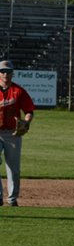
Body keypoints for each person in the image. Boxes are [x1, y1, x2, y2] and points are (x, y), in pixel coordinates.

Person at [0, 60, 35, 207]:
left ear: (12, 73)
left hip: (13, 134)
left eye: (8, 72)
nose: (5, 74)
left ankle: (12, 199)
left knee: (13, 167)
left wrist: (26, 122)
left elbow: (29, 111)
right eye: (2, 71)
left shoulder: (19, 91)